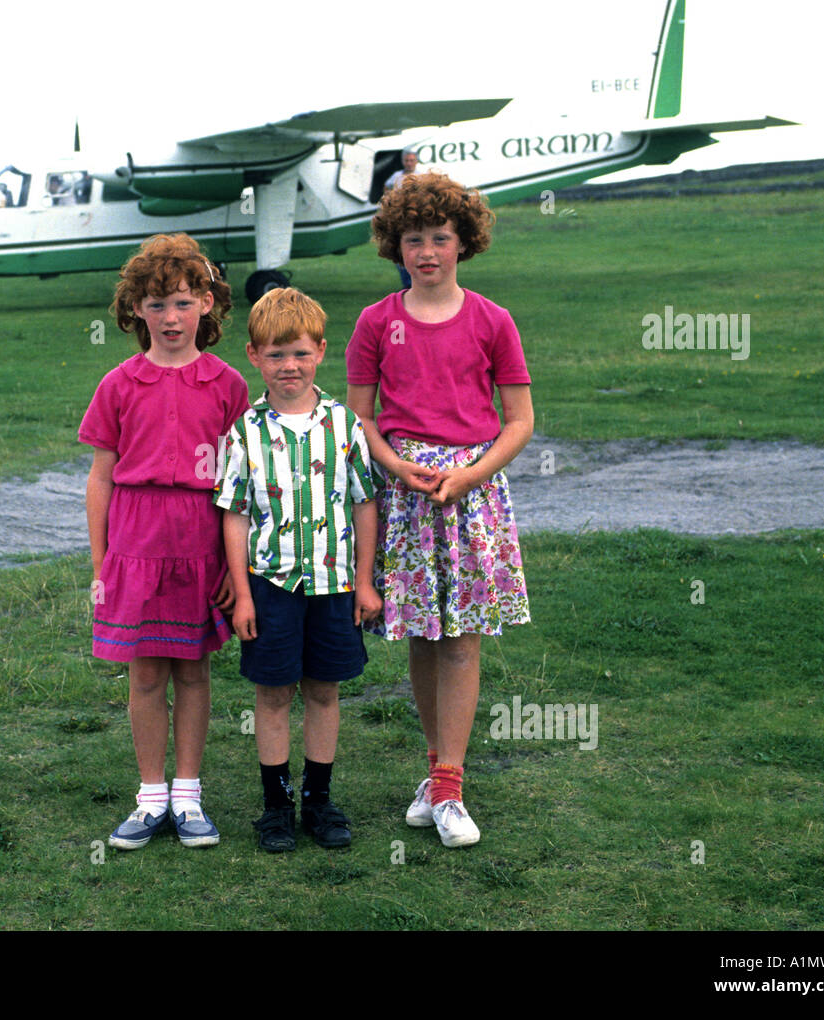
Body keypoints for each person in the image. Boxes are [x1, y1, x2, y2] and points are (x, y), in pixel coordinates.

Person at [345, 172, 534, 849]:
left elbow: (519, 420)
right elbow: (358, 417)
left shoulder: (492, 320)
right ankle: (436, 774)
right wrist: (395, 465)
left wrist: (472, 474)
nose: (426, 252)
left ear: (464, 243)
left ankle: (451, 789)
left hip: (471, 492)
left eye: (440, 239)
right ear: (396, 245)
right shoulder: (376, 322)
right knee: (424, 637)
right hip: (404, 493)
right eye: (413, 239)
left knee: (462, 639)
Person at [79, 233, 249, 850]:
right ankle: (150, 797)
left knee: (194, 670)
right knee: (146, 674)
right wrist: (103, 563)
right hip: (135, 544)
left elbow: (241, 480)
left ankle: (188, 794)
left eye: (181, 303)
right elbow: (100, 478)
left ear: (206, 303)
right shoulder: (118, 384)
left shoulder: (229, 385)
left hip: (202, 543)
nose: (170, 318)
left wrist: (238, 564)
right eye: (155, 306)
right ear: (135, 312)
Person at [215, 288, 381, 852]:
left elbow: (363, 502)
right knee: (273, 694)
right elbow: (235, 516)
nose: (290, 366)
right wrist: (242, 595)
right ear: (254, 355)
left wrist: (363, 581)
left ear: (321, 353)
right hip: (271, 587)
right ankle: (275, 805)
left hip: (334, 586)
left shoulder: (344, 425)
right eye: (277, 354)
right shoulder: (245, 432)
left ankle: (319, 800)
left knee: (324, 691)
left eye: (301, 354)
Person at [384, 148, 421, 290]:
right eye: (407, 160)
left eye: (412, 160)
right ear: (403, 161)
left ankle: (416, 282)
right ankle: (407, 283)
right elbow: (386, 189)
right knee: (400, 252)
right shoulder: (396, 177)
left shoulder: (421, 177)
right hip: (400, 219)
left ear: (416, 161)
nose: (409, 163)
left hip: (416, 220)